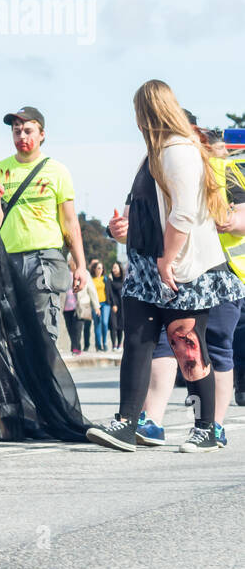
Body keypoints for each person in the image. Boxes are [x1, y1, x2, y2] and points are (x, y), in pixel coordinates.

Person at [89, 82, 244, 452]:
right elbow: (145, 212)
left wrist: (166, 259)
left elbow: (185, 213)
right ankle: (126, 422)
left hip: (179, 266)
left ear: (146, 112)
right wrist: (121, 231)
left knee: (188, 346)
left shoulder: (178, 151)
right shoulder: (154, 154)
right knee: (139, 343)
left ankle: (206, 427)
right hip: (148, 265)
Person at [0, 106, 87, 345]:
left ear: (42, 134)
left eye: (27, 131)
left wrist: (81, 265)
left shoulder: (57, 171)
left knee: (44, 333)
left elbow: (69, 221)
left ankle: (44, 381)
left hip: (45, 258)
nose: (21, 137)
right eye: (16, 132)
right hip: (8, 258)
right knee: (13, 334)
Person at [73, 257, 99, 351]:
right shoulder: (67, 273)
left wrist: (96, 306)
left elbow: (92, 290)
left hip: (84, 303)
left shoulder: (85, 273)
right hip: (71, 305)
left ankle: (86, 345)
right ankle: (76, 347)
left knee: (86, 326)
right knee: (76, 327)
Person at [90, 260, 111, 352]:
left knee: (105, 323)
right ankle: (98, 345)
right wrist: (95, 306)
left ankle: (105, 343)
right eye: (99, 268)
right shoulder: (91, 280)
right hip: (96, 305)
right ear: (94, 269)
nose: (100, 270)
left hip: (106, 304)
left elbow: (110, 291)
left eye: (102, 268)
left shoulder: (105, 279)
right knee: (97, 324)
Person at [108, 261, 126, 351]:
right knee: (113, 325)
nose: (113, 269)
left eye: (115, 267)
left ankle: (119, 345)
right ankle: (113, 345)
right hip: (113, 305)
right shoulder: (110, 280)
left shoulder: (124, 279)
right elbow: (110, 292)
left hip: (122, 304)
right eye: (113, 268)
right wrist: (113, 304)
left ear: (120, 268)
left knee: (120, 326)